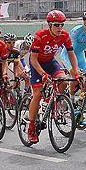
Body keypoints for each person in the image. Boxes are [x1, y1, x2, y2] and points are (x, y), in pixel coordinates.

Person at [27, 11, 73, 144]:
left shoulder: (64, 35)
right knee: (37, 94)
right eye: (57, 25)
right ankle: (31, 127)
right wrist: (43, 74)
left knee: (63, 80)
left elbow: (71, 54)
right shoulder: (40, 36)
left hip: (50, 62)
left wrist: (75, 70)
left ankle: (52, 101)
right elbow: (33, 60)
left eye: (62, 25)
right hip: (37, 65)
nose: (60, 28)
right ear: (49, 25)